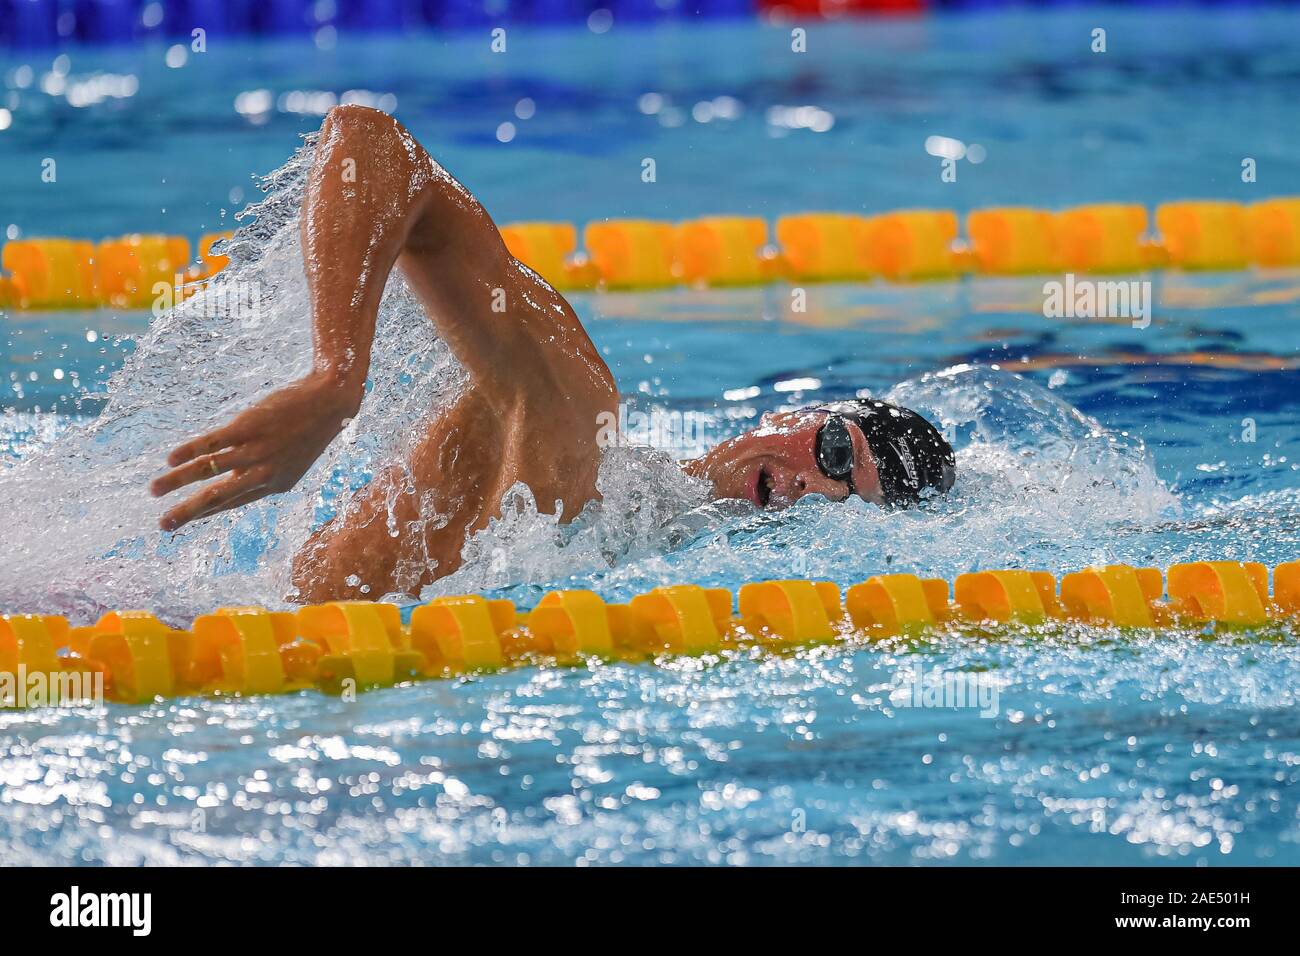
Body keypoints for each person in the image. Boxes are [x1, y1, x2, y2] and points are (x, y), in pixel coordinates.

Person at [149, 106, 955, 603]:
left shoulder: (645, 549)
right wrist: (336, 376)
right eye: (831, 451)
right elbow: (372, 142)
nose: (804, 487)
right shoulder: (578, 418)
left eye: (837, 502)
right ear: (792, 412)